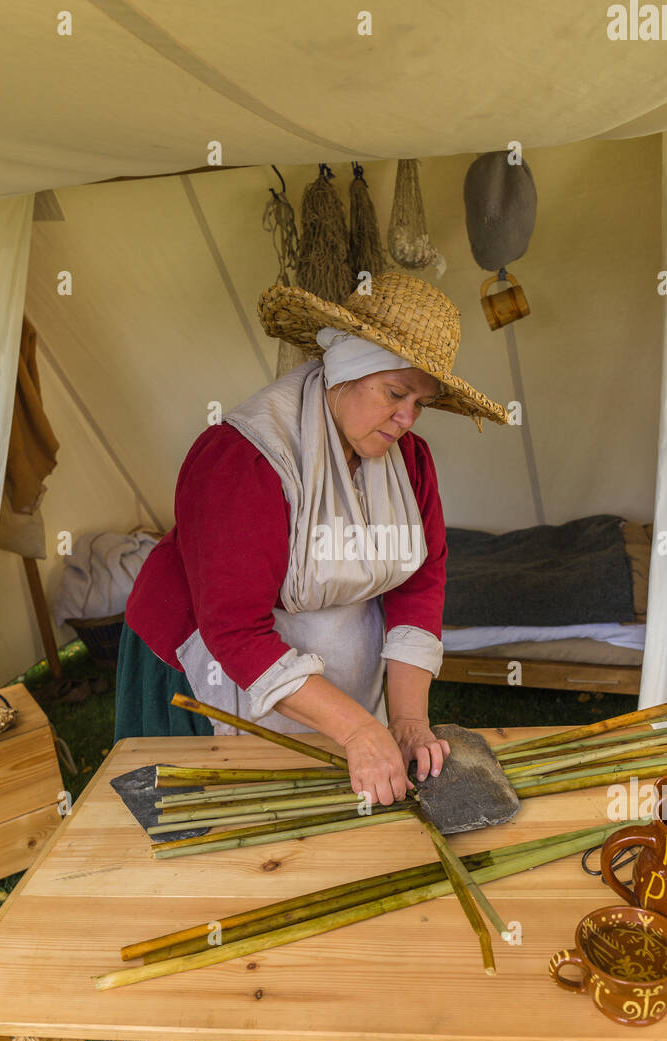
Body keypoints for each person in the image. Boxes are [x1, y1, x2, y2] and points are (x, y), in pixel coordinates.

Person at [115, 271, 509, 804]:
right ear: (348, 371)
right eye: (396, 393)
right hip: (204, 658)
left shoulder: (409, 461)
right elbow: (234, 629)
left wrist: (409, 718)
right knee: (212, 821)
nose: (407, 418)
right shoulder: (248, 458)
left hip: (315, 670)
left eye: (421, 403)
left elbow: (419, 581)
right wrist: (356, 730)